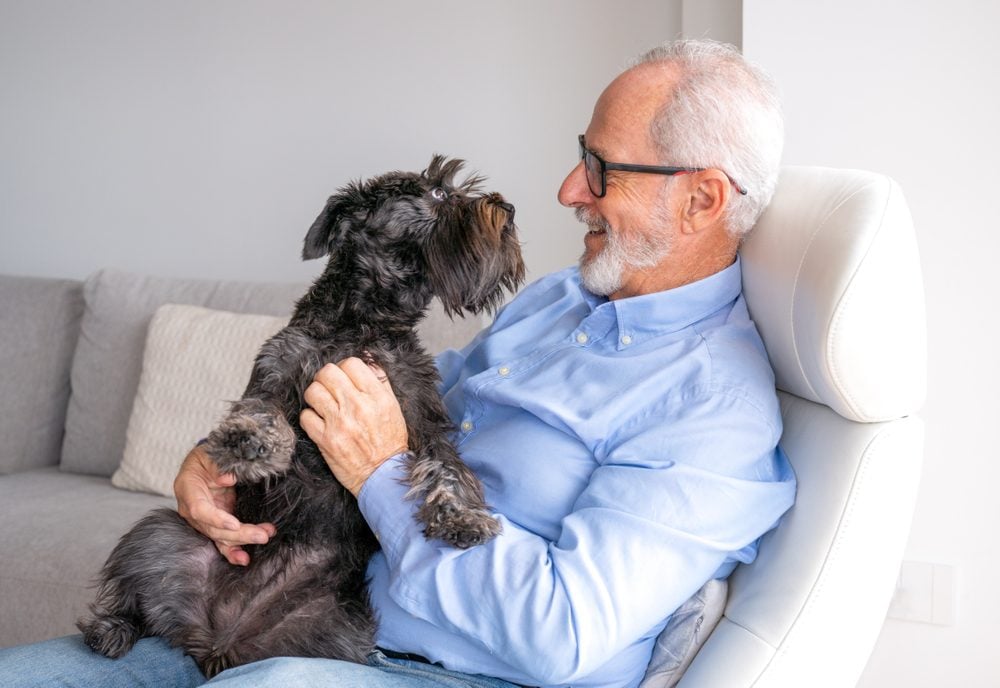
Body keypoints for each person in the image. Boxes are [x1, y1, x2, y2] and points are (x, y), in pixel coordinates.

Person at [0, 39, 795, 688]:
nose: (566, 190)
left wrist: (380, 471)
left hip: (437, 669)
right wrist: (213, 458)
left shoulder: (715, 407)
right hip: (296, 602)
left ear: (703, 200)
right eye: (578, 157)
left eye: (601, 168)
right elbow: (412, 400)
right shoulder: (557, 301)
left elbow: (560, 635)